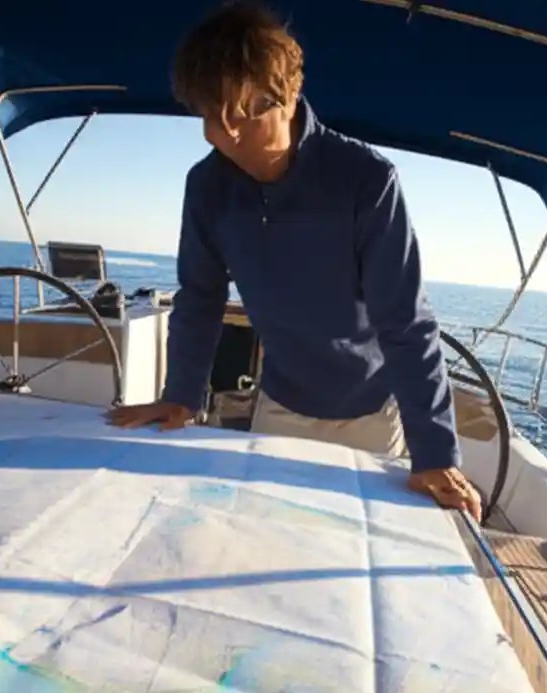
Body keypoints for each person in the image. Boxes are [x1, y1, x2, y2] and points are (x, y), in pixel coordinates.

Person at [106, 2, 482, 521]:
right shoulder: (207, 187)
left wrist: (435, 454)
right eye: (212, 117)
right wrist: (181, 396)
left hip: (372, 413)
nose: (228, 134)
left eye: (244, 113)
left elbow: (406, 321)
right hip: (279, 408)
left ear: (288, 96)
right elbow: (200, 297)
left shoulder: (366, 181)